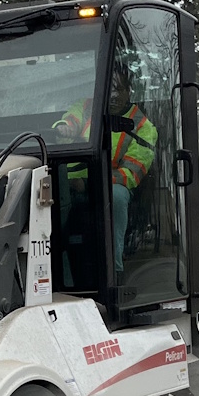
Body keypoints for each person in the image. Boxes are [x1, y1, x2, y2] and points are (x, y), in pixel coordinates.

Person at [52, 64, 158, 276]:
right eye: (108, 88)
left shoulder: (143, 127)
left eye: (119, 89)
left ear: (129, 91)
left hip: (109, 185)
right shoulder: (85, 107)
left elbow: (130, 173)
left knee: (117, 196)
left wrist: (88, 183)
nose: (113, 95)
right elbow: (69, 121)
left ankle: (114, 269)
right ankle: (55, 267)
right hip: (68, 182)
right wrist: (63, 128)